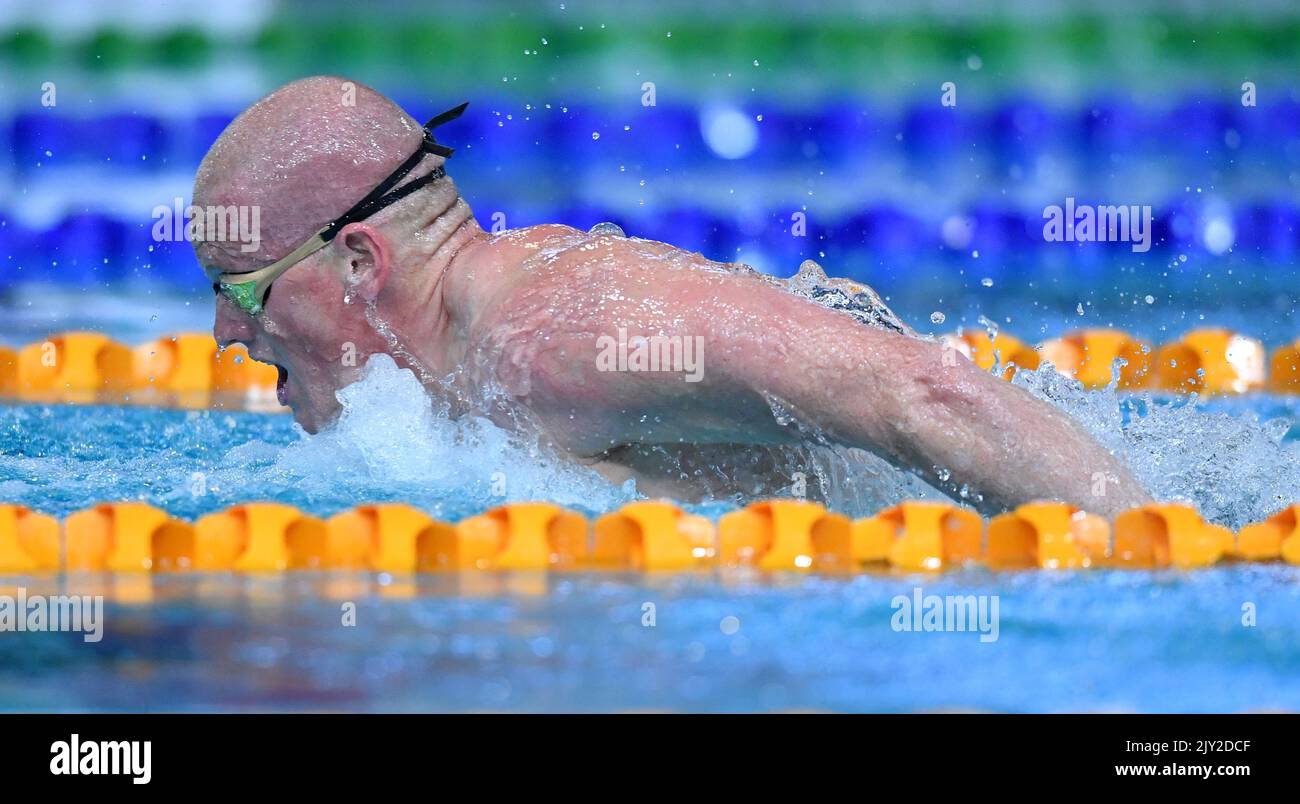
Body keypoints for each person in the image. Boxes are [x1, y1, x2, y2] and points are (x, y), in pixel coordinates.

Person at [193, 76, 1151, 515]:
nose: (227, 331)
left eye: (242, 288)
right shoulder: (465, 372)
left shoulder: (549, 339)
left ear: (361, 263)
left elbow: (921, 393)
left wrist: (1156, 559)